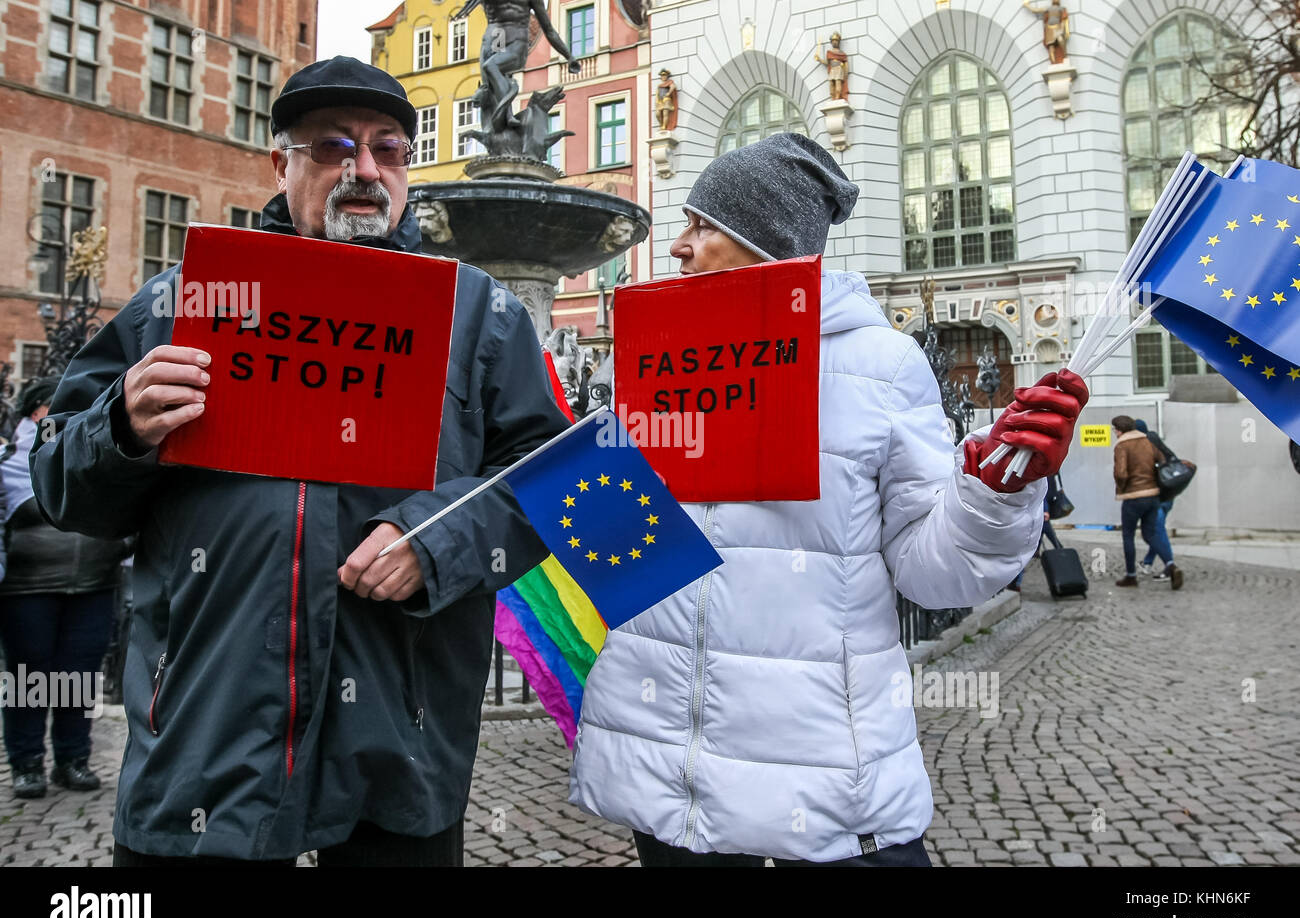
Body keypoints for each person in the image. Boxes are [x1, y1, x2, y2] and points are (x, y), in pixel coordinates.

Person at [30, 57, 571, 864]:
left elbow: (557, 476)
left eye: (388, 151)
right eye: (332, 148)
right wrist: (122, 427)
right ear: (278, 163)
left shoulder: (477, 315)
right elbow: (59, 484)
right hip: (204, 748)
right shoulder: (185, 304)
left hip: (399, 740)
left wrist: (437, 538)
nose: (363, 171)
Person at [567, 133, 1089, 866]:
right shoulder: (656, 362)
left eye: (701, 226)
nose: (678, 247)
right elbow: (627, 559)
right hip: (669, 785)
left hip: (819, 783)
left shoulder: (879, 365)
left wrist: (994, 494)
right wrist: (582, 487)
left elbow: (931, 574)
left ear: (764, 241)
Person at [2, 377, 130, 799]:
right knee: (28, 677)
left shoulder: (98, 449)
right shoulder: (8, 459)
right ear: (36, 412)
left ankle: (72, 758)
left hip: (93, 585)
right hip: (28, 589)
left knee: (77, 676)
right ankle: (26, 762)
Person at [1111, 415, 1182, 590]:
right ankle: (1171, 565)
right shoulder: (1147, 441)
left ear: (1119, 430)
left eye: (1114, 430)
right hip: (1152, 495)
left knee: (1128, 535)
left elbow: (1121, 473)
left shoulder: (1122, 445)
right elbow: (1162, 461)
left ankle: (1131, 576)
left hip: (1133, 497)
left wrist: (1122, 486)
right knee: (1150, 534)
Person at [1132, 419, 1176, 580]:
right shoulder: (1156, 442)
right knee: (1156, 530)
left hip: (1156, 498)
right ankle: (1148, 562)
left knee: (1156, 531)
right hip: (1167, 495)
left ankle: (1169, 566)